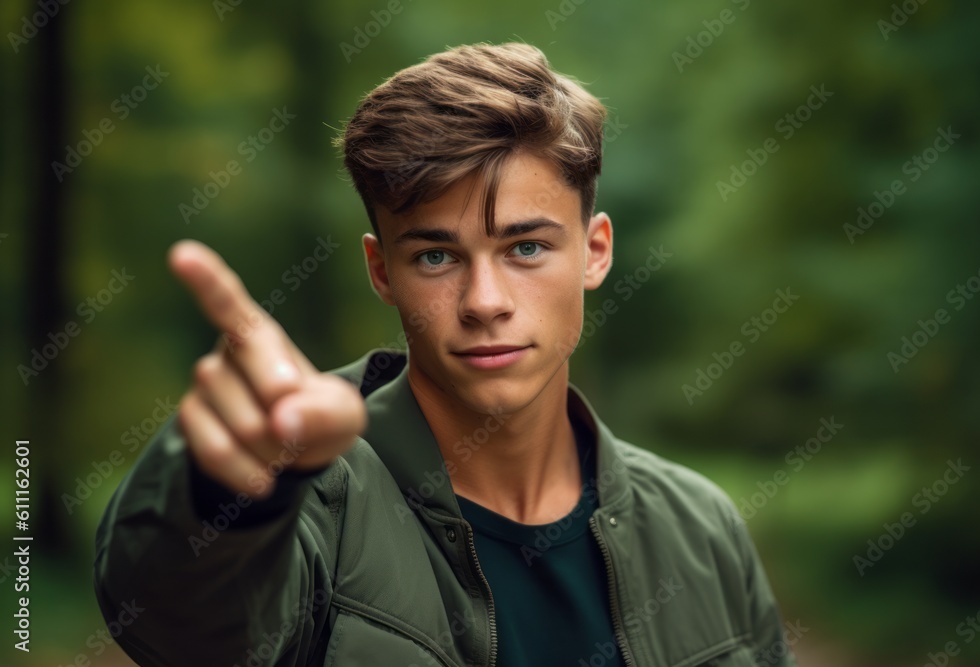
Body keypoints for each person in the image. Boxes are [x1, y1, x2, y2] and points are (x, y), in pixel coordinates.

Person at [94, 42, 797, 667]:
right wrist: (227, 494)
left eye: (525, 247)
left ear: (595, 250)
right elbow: (181, 624)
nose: (484, 300)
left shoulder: (701, 527)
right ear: (381, 271)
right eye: (436, 255)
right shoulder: (314, 505)